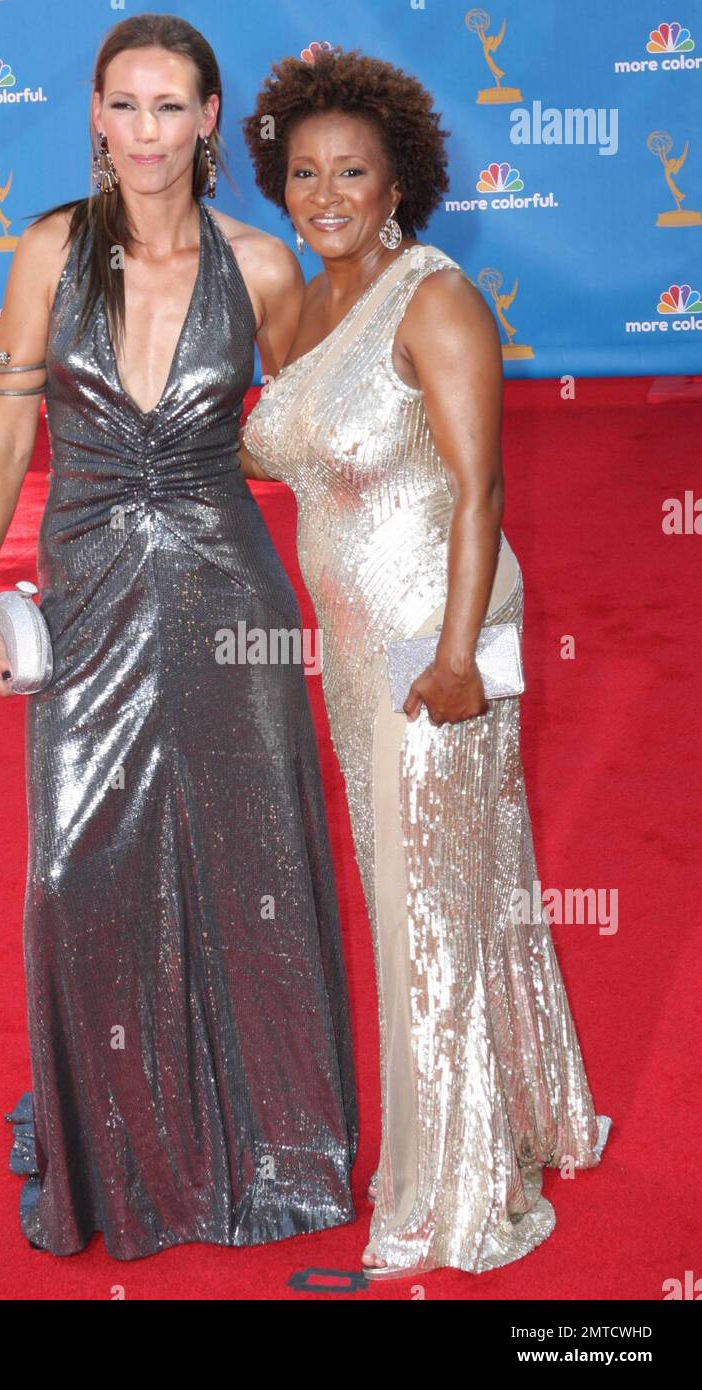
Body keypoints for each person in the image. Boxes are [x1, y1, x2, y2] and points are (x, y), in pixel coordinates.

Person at [0, 14, 358, 1261]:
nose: (143, 133)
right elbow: (9, 435)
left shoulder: (262, 268)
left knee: (254, 876)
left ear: (209, 119)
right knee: (79, 877)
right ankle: (117, 1148)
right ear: (92, 116)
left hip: (228, 602)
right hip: (84, 601)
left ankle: (272, 1150)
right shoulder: (47, 253)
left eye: (168, 107)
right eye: (122, 105)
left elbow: (304, 437)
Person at [240, 46, 611, 1279]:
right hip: (355, 645)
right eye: (303, 172)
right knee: (453, 886)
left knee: (426, 914)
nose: (326, 191)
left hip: (434, 636)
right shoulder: (304, 298)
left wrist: (455, 660)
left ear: (400, 179)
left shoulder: (432, 297)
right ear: (276, 182)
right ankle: (531, 1107)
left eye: (352, 170)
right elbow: (281, 444)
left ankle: (444, 1202)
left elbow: (478, 489)